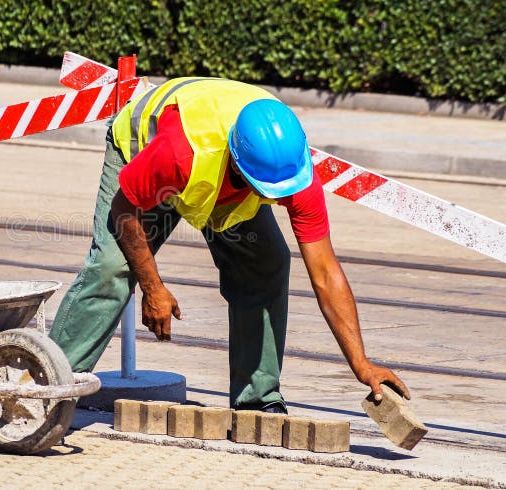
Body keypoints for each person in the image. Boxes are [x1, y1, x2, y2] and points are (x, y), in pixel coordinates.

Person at [49, 77, 410, 412]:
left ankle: (257, 400)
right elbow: (124, 211)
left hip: (214, 177)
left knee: (266, 263)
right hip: (143, 154)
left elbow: (326, 273)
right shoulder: (180, 154)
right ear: (238, 165)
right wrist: (153, 287)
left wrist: (361, 363)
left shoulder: (290, 169)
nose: (277, 198)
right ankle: (47, 387)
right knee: (111, 268)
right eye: (268, 191)